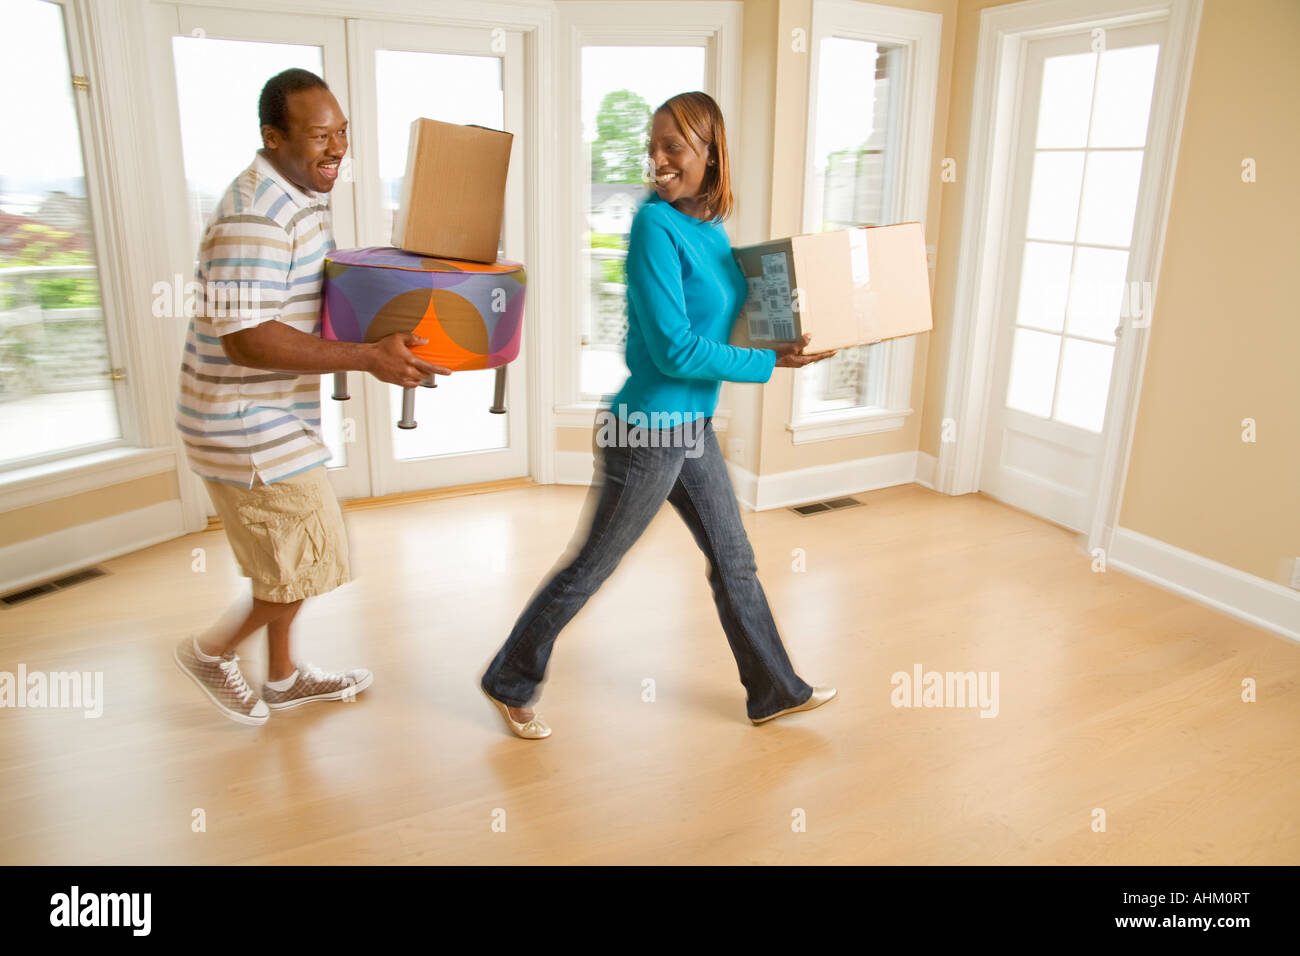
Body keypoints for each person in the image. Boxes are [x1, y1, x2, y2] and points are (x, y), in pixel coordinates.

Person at [480, 91, 839, 739]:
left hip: (691, 427)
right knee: (592, 565)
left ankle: (774, 689)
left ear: (711, 154)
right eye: (653, 147)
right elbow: (675, 349)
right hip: (646, 431)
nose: (658, 160)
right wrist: (768, 365)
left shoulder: (708, 225)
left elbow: (711, 318)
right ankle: (509, 678)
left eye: (673, 147)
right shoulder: (654, 226)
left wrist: (799, 319)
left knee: (735, 560)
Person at [173, 68, 448, 725]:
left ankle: (284, 676)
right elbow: (246, 340)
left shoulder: (293, 193)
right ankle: (211, 653)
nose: (335, 149)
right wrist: (366, 358)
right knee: (311, 555)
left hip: (268, 412)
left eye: (342, 134)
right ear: (273, 137)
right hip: (243, 422)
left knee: (282, 557)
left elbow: (299, 296)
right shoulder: (255, 214)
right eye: (319, 135)